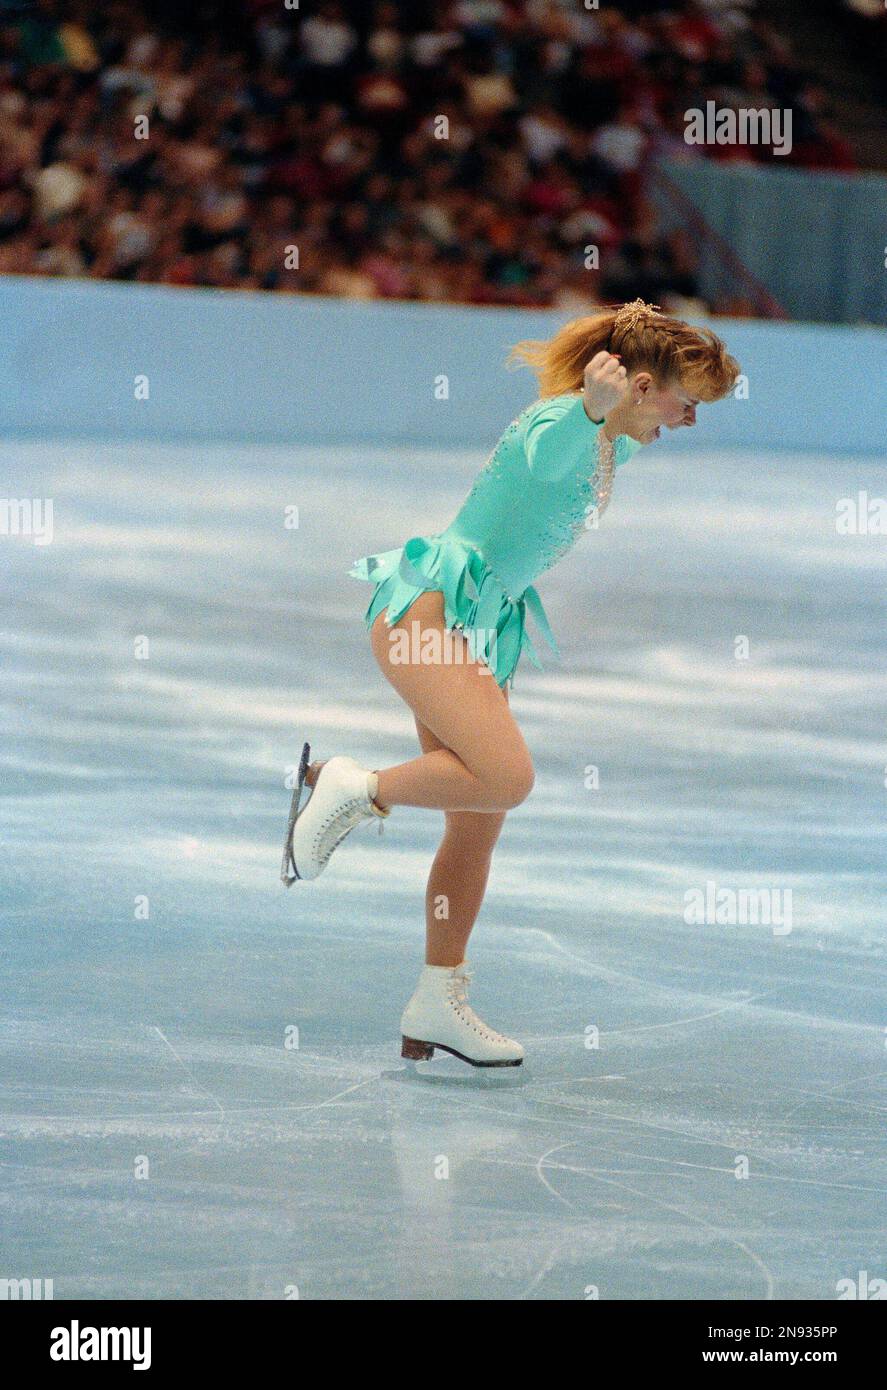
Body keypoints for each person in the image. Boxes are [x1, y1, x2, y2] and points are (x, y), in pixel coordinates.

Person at [281, 299, 740, 1067]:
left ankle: (437, 999)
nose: (689, 420)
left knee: (477, 813)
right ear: (636, 386)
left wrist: (608, 409)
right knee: (505, 776)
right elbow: (545, 452)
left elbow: (581, 452)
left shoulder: (614, 441)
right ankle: (351, 787)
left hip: (479, 629)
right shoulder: (560, 426)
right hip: (425, 615)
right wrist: (588, 408)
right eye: (684, 402)